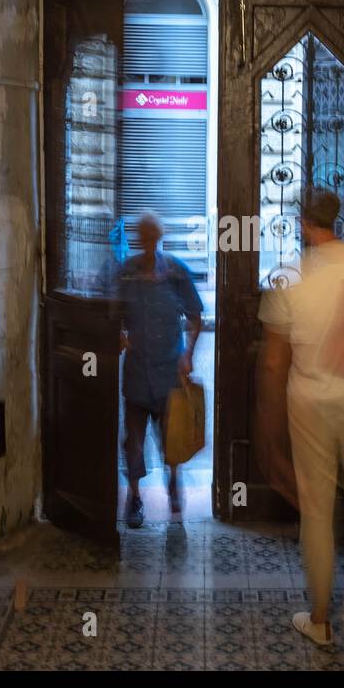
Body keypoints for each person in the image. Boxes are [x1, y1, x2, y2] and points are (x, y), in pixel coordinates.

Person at [257, 189, 344, 665]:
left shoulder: (291, 278)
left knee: (317, 512)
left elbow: (274, 365)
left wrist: (269, 437)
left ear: (302, 223)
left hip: (311, 404)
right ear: (339, 219)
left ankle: (320, 620)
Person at [116, 211, 203, 528]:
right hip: (138, 372)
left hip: (169, 371)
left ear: (160, 238)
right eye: (143, 237)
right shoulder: (127, 272)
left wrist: (188, 353)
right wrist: (120, 335)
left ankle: (173, 483)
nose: (148, 243)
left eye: (153, 237)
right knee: (134, 442)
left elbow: (196, 317)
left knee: (172, 438)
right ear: (139, 239)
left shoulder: (177, 272)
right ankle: (135, 497)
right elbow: (113, 314)